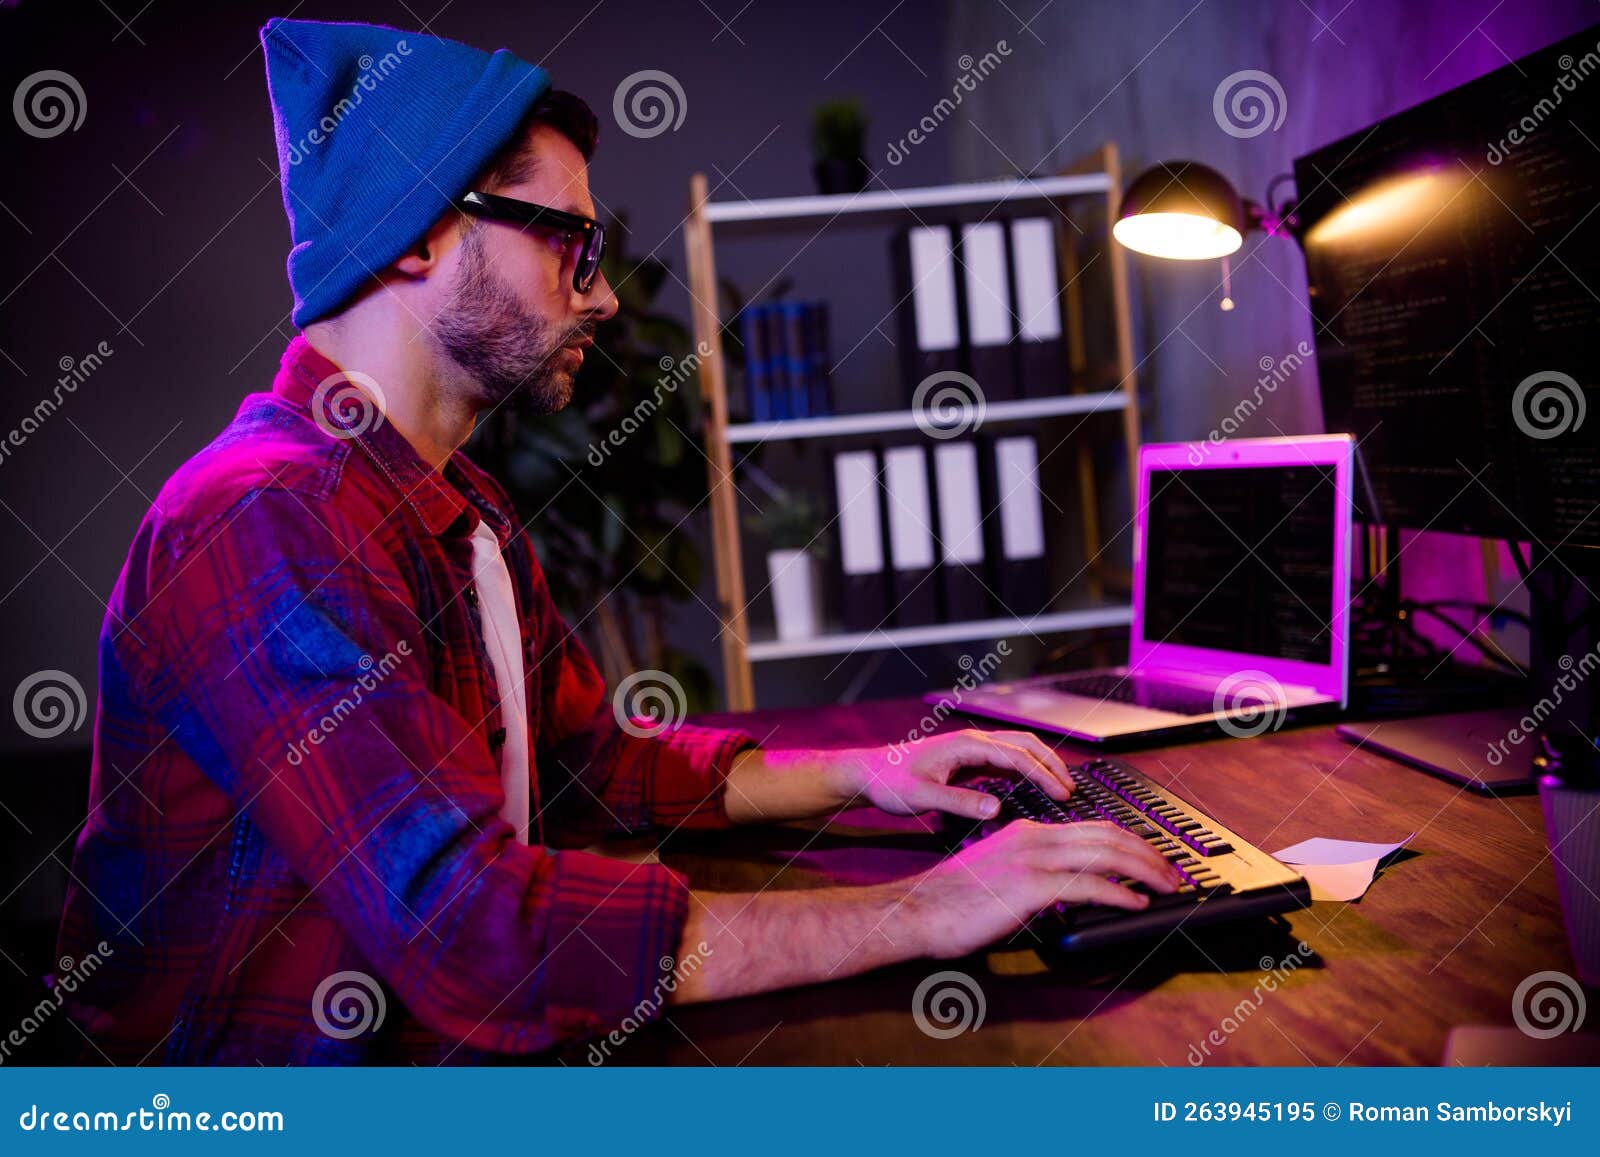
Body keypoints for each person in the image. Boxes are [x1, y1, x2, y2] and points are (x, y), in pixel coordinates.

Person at [56, 17, 1179, 1064]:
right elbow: (475, 932)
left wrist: (868, 771)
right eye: (570, 243)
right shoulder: (263, 518)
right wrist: (925, 909)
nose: (599, 297)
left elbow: (598, 765)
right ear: (422, 236)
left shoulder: (461, 508)